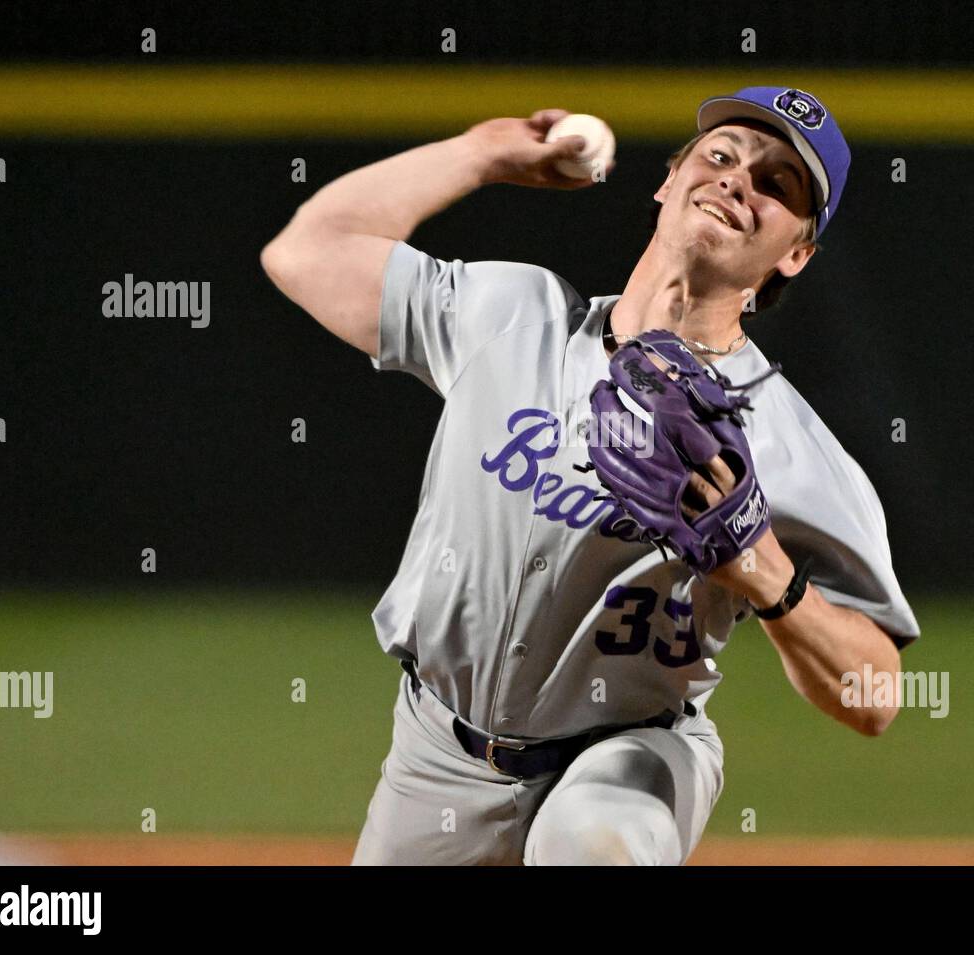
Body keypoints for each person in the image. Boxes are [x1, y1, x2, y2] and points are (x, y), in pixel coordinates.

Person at [261, 86, 919, 865]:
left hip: (627, 760)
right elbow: (303, 253)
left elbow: (875, 697)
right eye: (720, 155)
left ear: (796, 254)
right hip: (435, 756)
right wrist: (485, 152)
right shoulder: (512, 317)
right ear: (667, 181)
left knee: (588, 848)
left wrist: (768, 576)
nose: (738, 180)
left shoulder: (783, 442)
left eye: (777, 184)